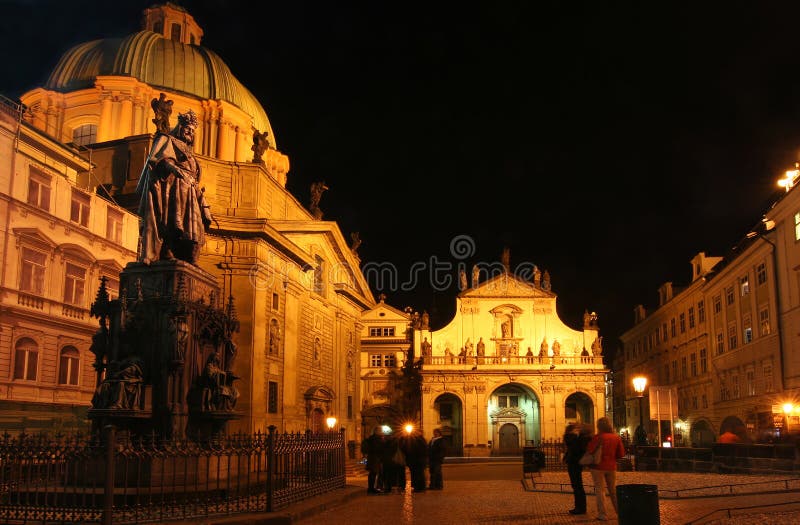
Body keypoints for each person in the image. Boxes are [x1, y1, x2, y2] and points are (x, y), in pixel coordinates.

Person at [137, 109, 212, 265]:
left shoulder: (190, 153)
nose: (190, 132)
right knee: (173, 220)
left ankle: (188, 255)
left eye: (192, 130)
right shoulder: (167, 140)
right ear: (180, 127)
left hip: (190, 190)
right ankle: (168, 250)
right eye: (187, 129)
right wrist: (175, 169)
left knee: (194, 225)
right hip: (174, 188)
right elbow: (159, 160)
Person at [585, 417, 625, 521]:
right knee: (613, 491)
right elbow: (621, 454)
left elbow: (590, 450)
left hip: (597, 467)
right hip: (611, 467)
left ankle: (602, 514)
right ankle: (619, 512)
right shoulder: (616, 437)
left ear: (599, 426)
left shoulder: (597, 437)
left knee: (600, 490)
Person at [563, 423, 592, 515]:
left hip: (574, 463)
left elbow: (573, 447)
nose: (577, 429)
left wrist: (571, 433)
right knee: (577, 486)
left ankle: (580, 508)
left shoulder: (580, 438)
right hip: (575, 462)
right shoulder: (580, 437)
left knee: (577, 486)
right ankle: (579, 507)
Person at [400, 428, 428, 493]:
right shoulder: (417, 439)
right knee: (416, 474)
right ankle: (418, 487)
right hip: (415, 460)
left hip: (417, 460)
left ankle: (419, 487)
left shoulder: (419, 440)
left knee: (418, 474)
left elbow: (412, 449)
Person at [361, 427, 385, 494]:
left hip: (372, 458)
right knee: (373, 473)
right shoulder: (376, 439)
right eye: (381, 431)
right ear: (377, 431)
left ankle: (371, 488)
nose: (382, 432)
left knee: (373, 473)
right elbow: (378, 448)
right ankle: (371, 489)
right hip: (375, 458)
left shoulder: (371, 438)